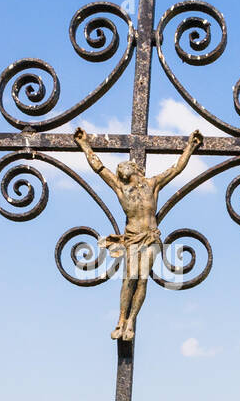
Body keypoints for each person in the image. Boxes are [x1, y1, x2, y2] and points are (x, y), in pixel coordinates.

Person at [72, 127, 204, 340]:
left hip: (150, 237)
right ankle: (121, 319)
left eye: (123, 167)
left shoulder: (152, 184)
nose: (119, 169)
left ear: (134, 168)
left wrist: (190, 146)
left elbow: (176, 168)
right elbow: (98, 167)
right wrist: (84, 144)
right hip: (133, 237)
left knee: (142, 279)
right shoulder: (120, 187)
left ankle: (131, 320)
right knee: (129, 278)